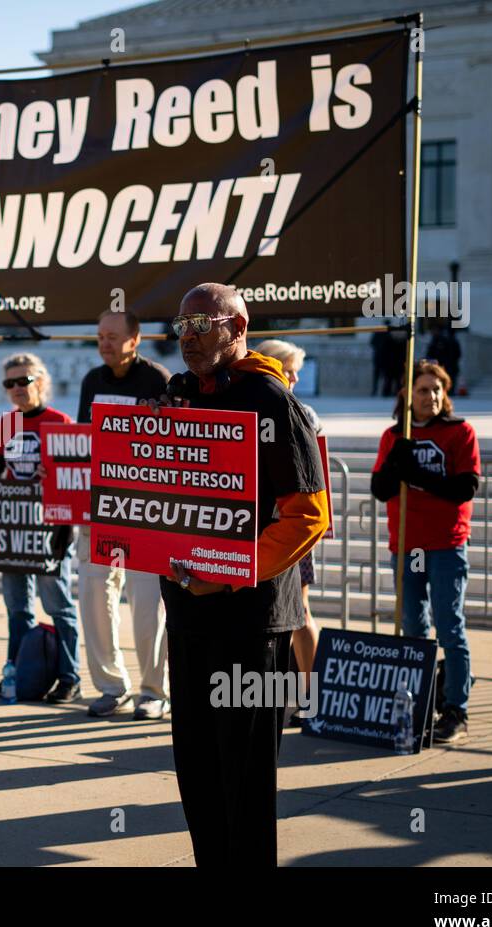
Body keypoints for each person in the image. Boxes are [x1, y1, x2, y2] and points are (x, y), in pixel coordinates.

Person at [158, 283, 329, 867]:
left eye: (202, 324)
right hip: (186, 615)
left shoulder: (270, 400)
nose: (189, 338)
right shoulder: (178, 393)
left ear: (238, 326)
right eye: (181, 326)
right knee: (197, 769)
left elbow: (308, 513)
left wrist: (231, 575)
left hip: (251, 625)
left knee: (246, 777)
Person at [370, 360, 481, 744]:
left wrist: (415, 472)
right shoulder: (393, 435)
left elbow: (464, 488)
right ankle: (422, 700)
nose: (430, 396)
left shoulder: (459, 432)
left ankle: (456, 710)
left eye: (437, 389)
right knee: (414, 626)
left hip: (446, 544)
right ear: (408, 394)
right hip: (407, 546)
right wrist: (395, 465)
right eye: (422, 389)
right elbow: (380, 489)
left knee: (450, 626)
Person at [76, 311, 171, 720]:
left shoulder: (158, 379)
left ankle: (154, 692)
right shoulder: (92, 381)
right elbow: (81, 441)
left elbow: (174, 443)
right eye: (100, 336)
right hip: (99, 510)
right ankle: (111, 687)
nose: (105, 343)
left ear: (135, 339)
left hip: (146, 514)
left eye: (113, 336)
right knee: (95, 598)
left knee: (149, 607)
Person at [0, 353, 83, 703]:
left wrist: (65, 527)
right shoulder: (7, 424)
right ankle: (17, 671)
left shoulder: (60, 421)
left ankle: (70, 677)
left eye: (23, 381)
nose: (16, 389)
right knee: (17, 608)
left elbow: (72, 481)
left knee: (59, 605)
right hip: (14, 526)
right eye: (9, 383)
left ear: (40, 381)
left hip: (51, 527)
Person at [253, 339, 323, 726]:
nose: (295, 377)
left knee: (298, 615)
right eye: (289, 369)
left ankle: (309, 696)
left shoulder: (300, 412)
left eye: (297, 370)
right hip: (261, 528)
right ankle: (282, 696)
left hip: (289, 528)